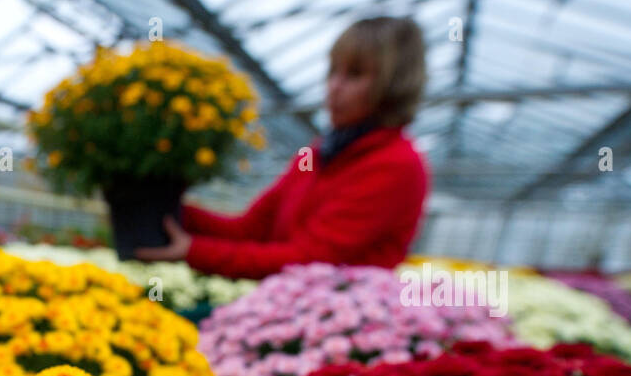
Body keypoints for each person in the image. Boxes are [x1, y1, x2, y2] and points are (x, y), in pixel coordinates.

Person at [135, 16, 429, 277]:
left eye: (354, 74)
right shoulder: (315, 154)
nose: (334, 86)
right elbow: (250, 230)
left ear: (393, 85)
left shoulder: (397, 164)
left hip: (339, 329)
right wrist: (167, 209)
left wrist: (193, 251)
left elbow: (310, 261)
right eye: (332, 72)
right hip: (289, 318)